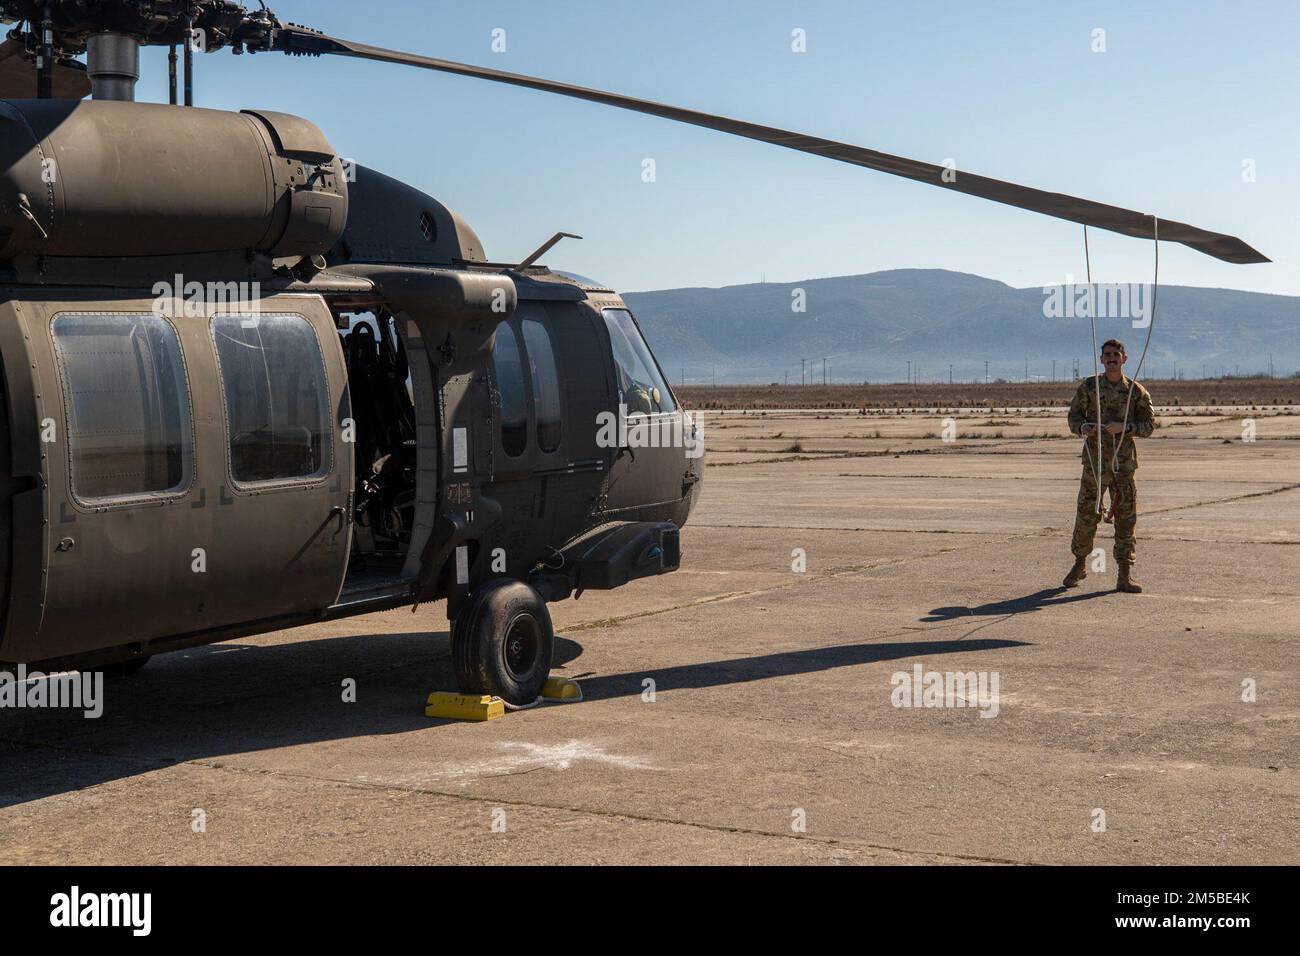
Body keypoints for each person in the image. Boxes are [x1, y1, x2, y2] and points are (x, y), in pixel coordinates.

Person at [1063, 339, 1155, 593]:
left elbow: (1149, 425)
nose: (1112, 358)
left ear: (1124, 358)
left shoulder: (1136, 391)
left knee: (1125, 518)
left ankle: (1124, 574)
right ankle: (1080, 564)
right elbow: (1073, 417)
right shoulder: (1089, 387)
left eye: (1116, 354)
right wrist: (1083, 427)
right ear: (1101, 359)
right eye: (1107, 355)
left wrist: (1125, 427)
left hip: (1122, 465)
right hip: (1095, 463)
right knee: (1086, 514)